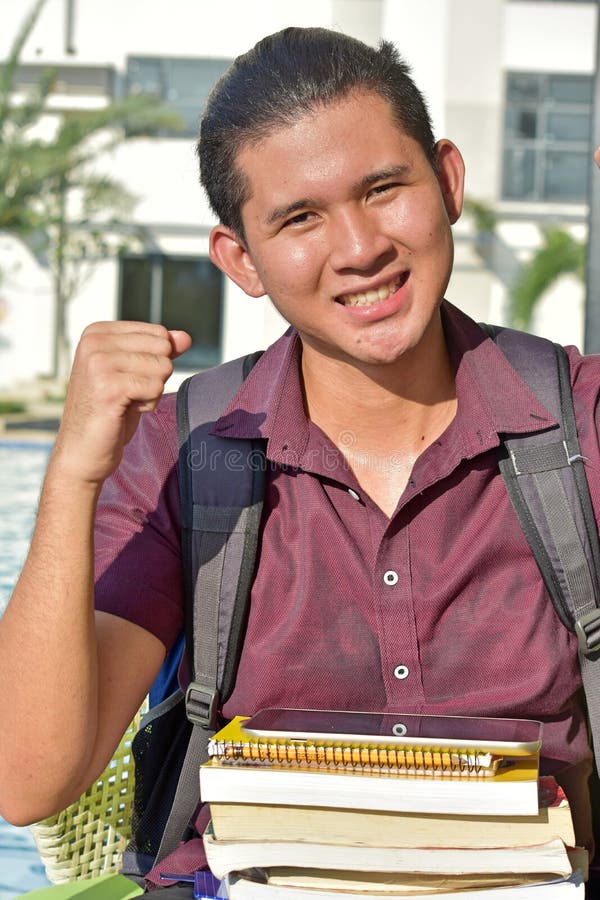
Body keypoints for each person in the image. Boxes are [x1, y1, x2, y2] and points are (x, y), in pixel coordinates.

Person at [0, 25, 598, 897]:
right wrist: (72, 476)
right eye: (300, 219)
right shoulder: (186, 449)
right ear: (241, 259)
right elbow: (28, 780)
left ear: (449, 181)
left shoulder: (576, 424)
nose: (359, 249)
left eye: (384, 188)